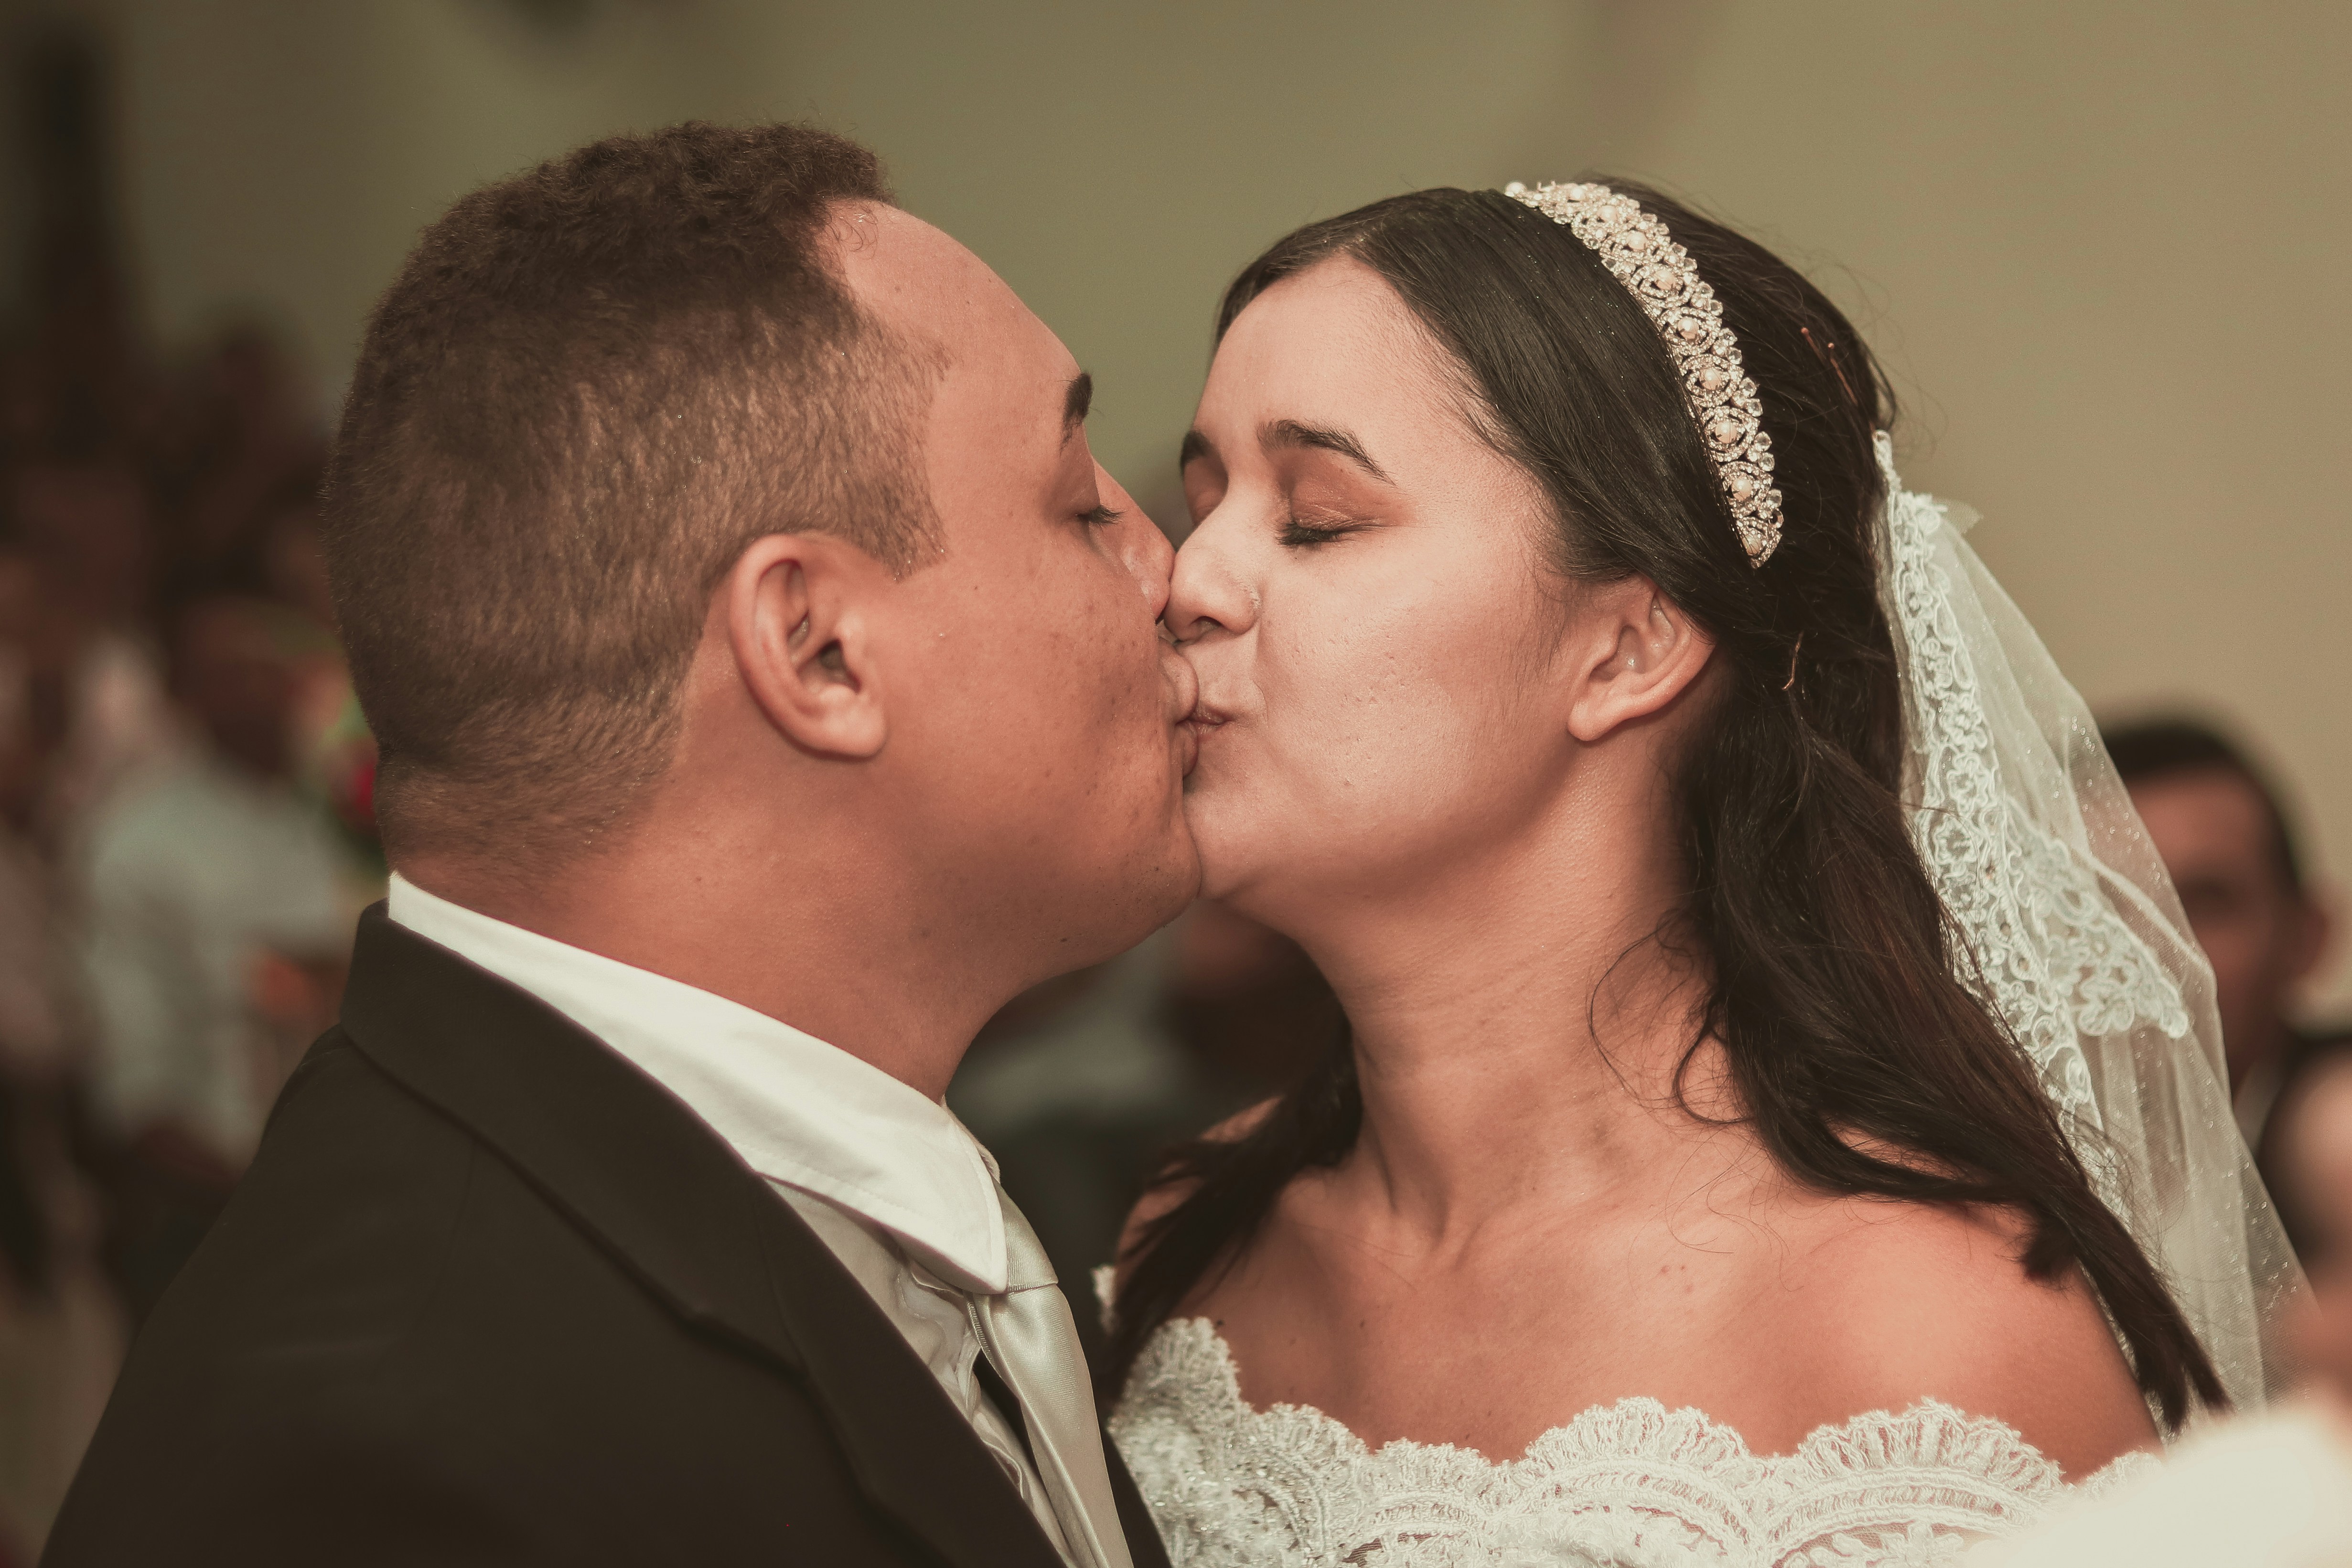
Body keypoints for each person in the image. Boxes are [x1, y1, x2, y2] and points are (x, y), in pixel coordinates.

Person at [43, 123, 1195, 1568]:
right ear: (818, 650)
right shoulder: (387, 1463)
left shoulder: (769, 1192)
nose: (1175, 573)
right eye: (1082, 504)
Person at [1103, 181, 2291, 1566]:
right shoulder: (1192, 1235)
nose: (1188, 581)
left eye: (1314, 519)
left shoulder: (1923, 1333)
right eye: (1203, 503)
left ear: (1629, 649)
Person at [74, 591, 352, 1321]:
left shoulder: (360, 807)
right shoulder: (140, 844)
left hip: (380, 1200)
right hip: (220, 1216)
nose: (262, 684)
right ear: (184, 691)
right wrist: (267, 1202)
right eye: (233, 669)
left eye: (274, 661)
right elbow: (137, 1091)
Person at [2105, 720, 2342, 1243]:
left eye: (2202, 904)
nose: (2147, 953)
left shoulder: (2333, 1121)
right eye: (2103, 907)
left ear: (2307, 938)